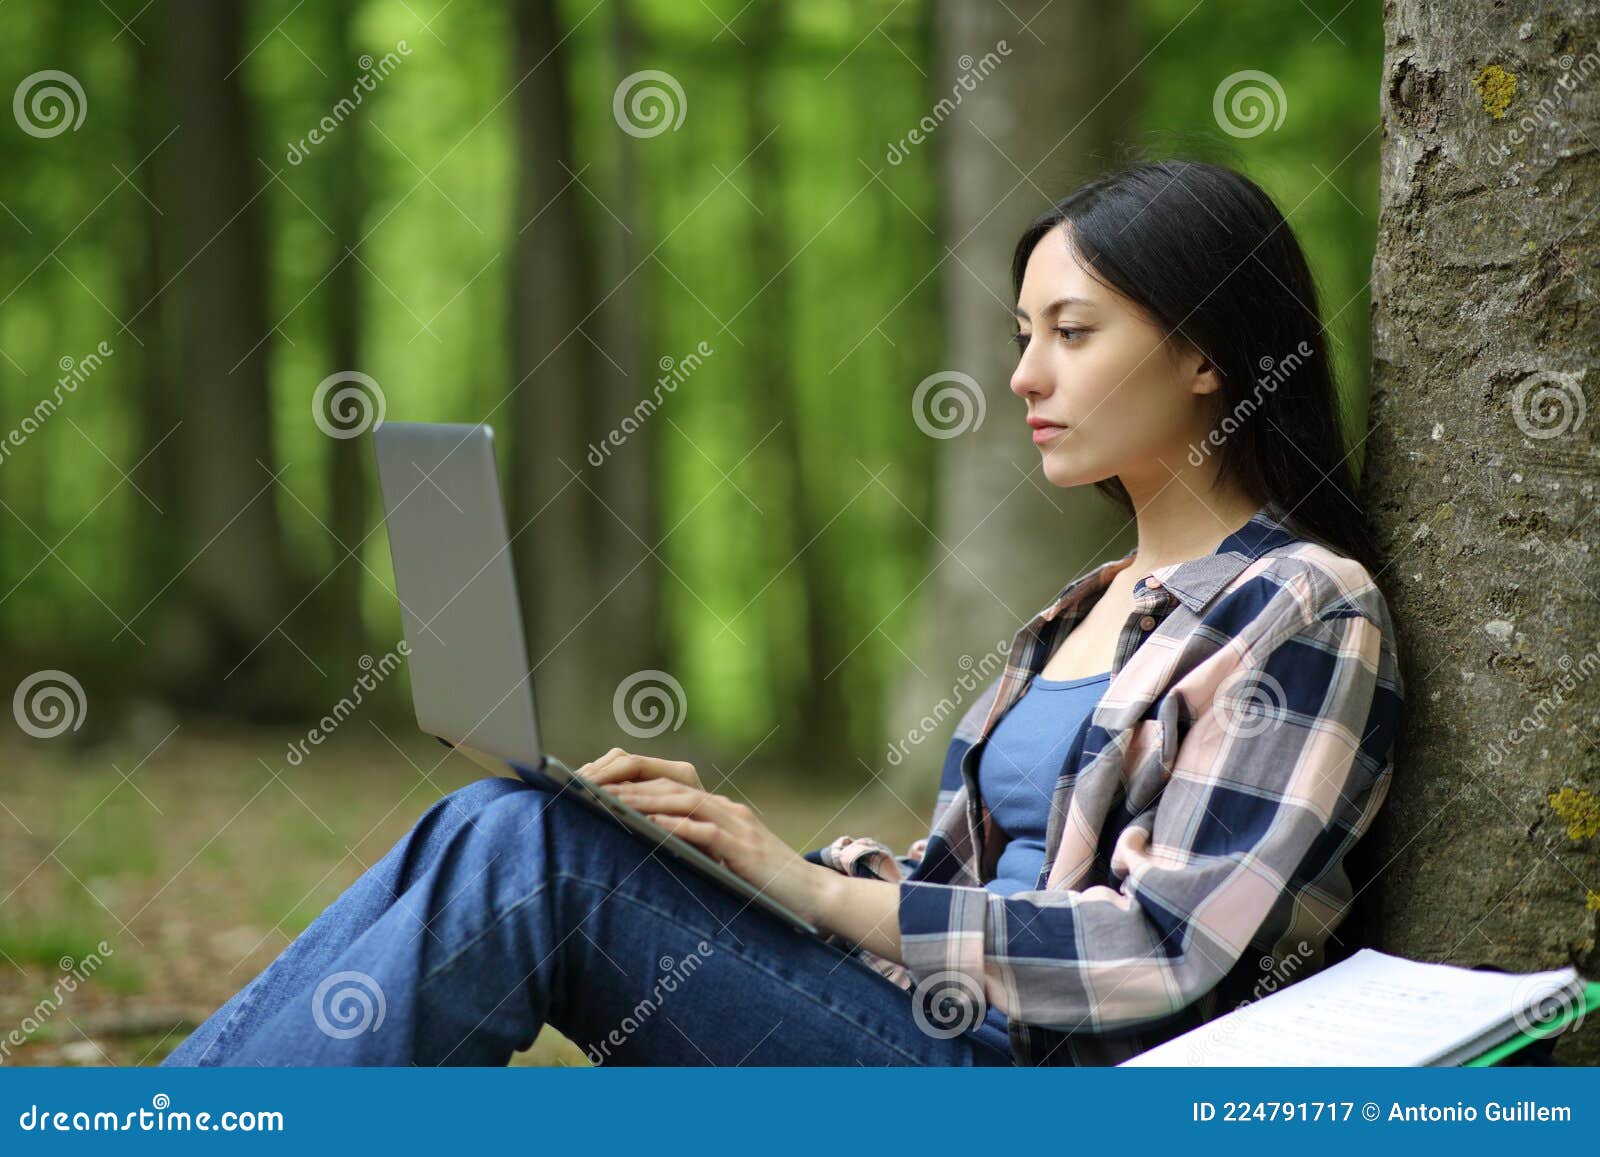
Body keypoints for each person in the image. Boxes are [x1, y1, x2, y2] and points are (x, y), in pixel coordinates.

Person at [163, 159, 1403, 1067]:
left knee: (529, 857)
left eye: (1071, 333)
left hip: (1031, 1090)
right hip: (928, 1035)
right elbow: (944, 882)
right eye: (1023, 333)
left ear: (1208, 354)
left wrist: (809, 898)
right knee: (504, 817)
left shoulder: (1303, 605)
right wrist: (734, 853)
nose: (1024, 374)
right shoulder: (1077, 612)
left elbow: (1162, 947)